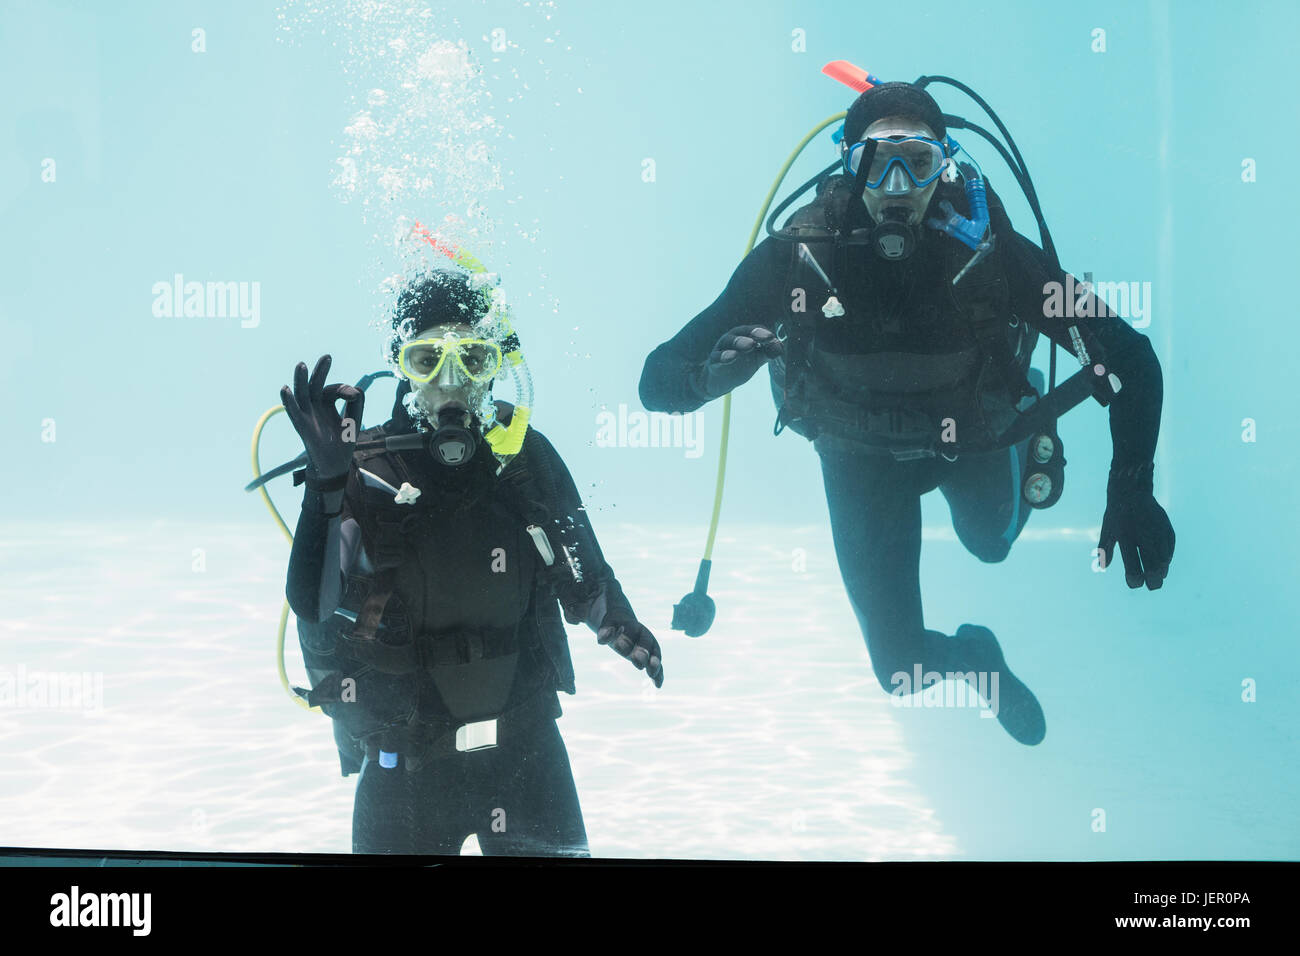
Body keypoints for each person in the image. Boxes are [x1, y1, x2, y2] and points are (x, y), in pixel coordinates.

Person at [639, 77, 1174, 746]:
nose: (896, 184)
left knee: (992, 544)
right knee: (899, 672)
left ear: (943, 165)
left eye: (916, 162)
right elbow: (657, 379)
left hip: (972, 437)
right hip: (857, 458)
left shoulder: (991, 255)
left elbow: (1130, 356)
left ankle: (1025, 414)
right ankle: (977, 663)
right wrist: (713, 378)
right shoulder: (797, 259)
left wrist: (1131, 488)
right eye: (875, 161)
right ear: (848, 166)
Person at [283, 267, 663, 855]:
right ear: (401, 364)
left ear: (498, 364)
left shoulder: (523, 455)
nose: (451, 382)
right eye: (428, 359)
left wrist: (614, 618)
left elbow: (582, 566)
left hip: (526, 753)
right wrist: (326, 488)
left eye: (475, 359)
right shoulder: (363, 470)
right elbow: (313, 602)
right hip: (402, 766)